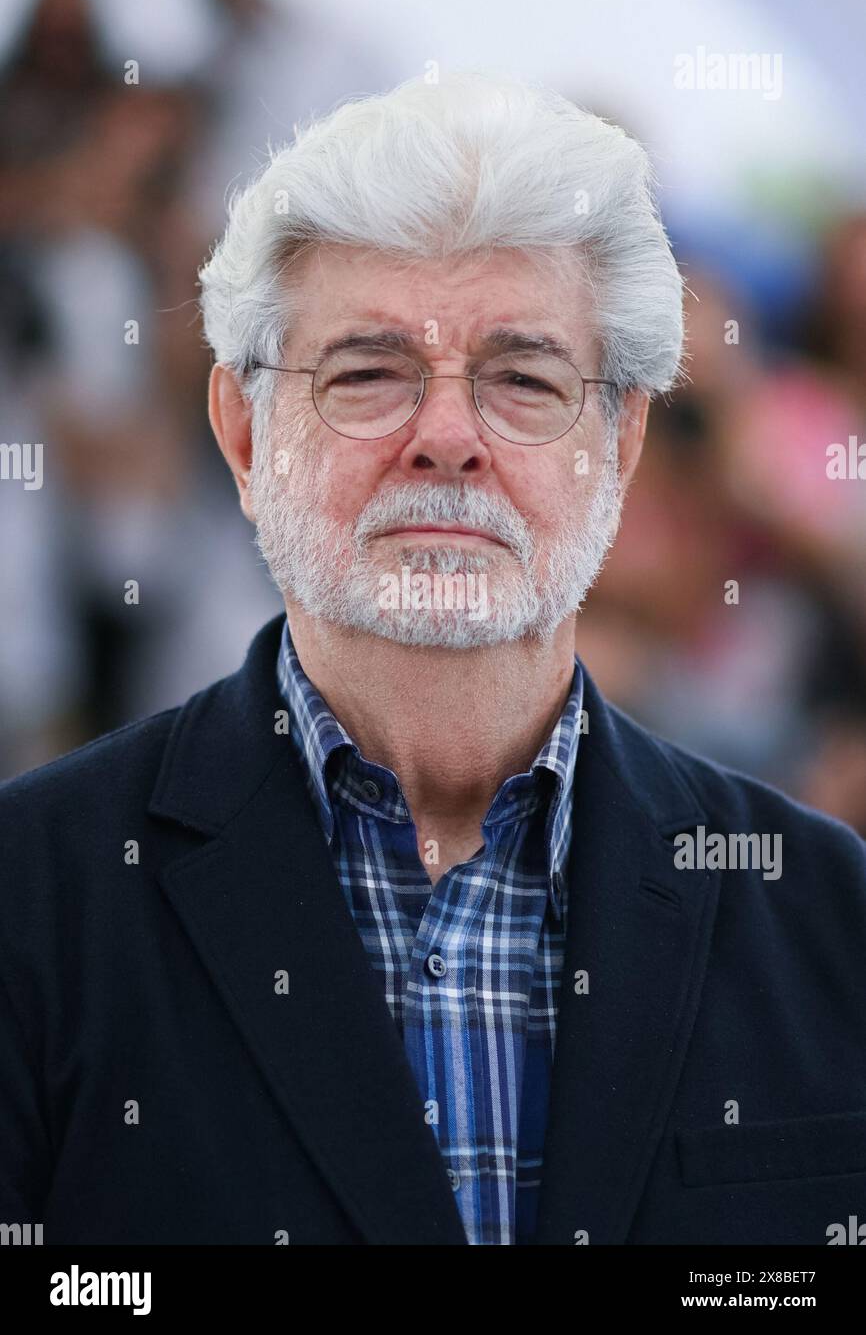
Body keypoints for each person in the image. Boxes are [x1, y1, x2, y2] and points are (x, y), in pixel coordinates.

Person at [1, 71, 865, 1247]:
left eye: (522, 378)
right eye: (367, 373)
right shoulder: (31, 902)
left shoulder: (825, 917)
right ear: (245, 432)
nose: (448, 439)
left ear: (618, 442)